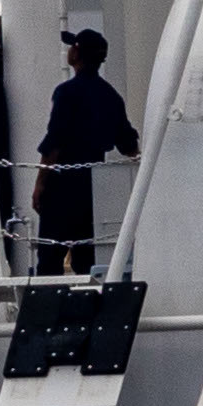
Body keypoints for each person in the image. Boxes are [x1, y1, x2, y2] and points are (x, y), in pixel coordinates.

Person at [33, 24, 137, 276]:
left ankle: (50, 308)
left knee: (50, 254)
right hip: (95, 185)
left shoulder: (66, 92)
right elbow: (129, 145)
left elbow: (54, 142)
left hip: (63, 182)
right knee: (86, 255)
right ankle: (87, 306)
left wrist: (40, 185)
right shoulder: (110, 96)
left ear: (76, 54)